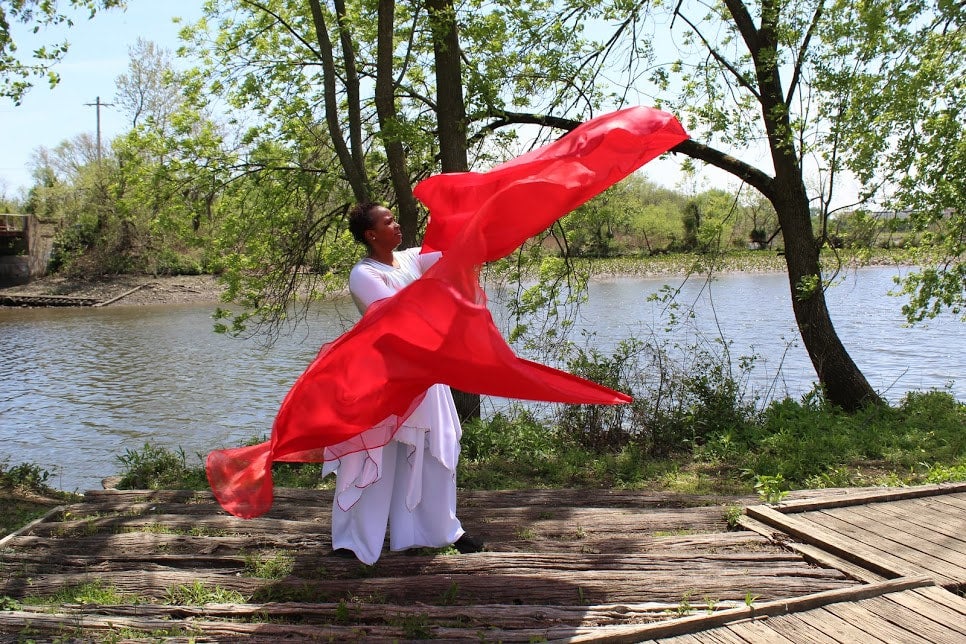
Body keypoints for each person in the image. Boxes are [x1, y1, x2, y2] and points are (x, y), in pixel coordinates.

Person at [321, 201, 484, 564]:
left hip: (423, 372)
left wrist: (481, 211)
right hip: (385, 376)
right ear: (371, 234)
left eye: (395, 219)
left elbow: (454, 254)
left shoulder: (410, 258)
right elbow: (399, 316)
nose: (396, 225)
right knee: (375, 456)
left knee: (434, 449)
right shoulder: (363, 274)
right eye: (388, 221)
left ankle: (439, 531)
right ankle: (354, 539)